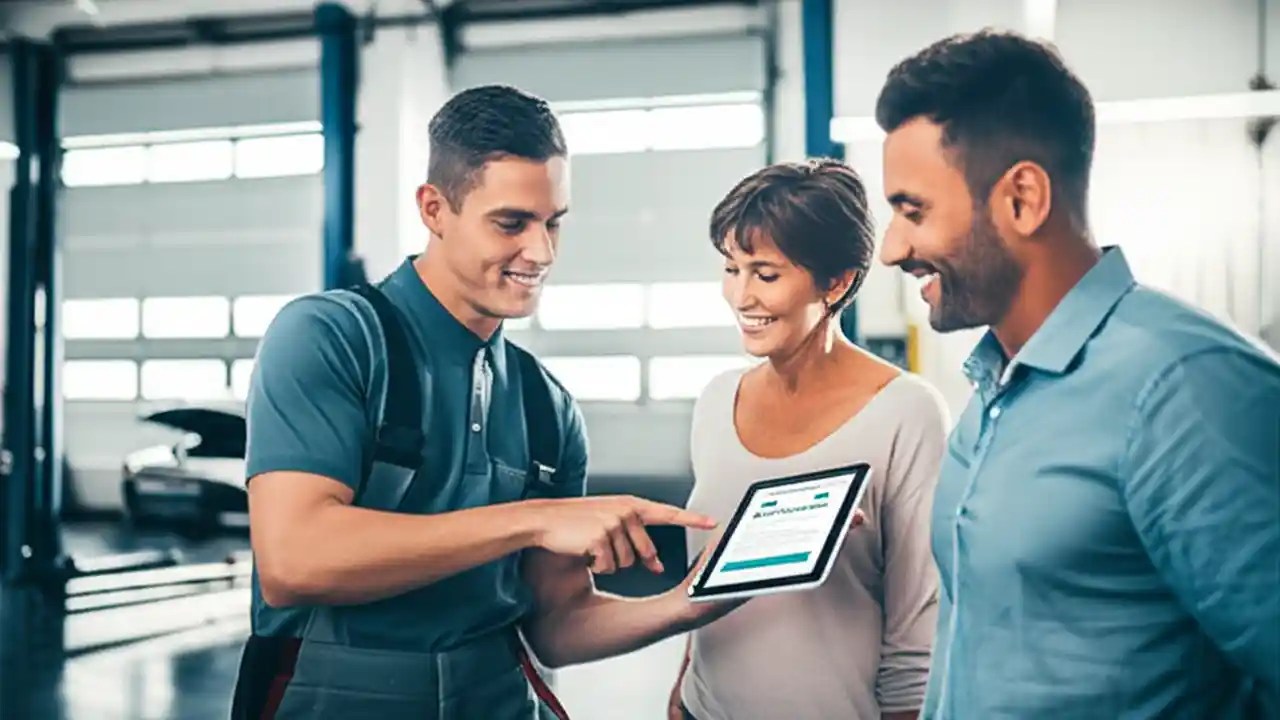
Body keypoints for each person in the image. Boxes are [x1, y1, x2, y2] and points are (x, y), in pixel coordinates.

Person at [233, 84, 750, 719]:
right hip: (337, 693)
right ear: (434, 208)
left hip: (498, 696)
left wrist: (693, 600)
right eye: (511, 223)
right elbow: (295, 560)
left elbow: (558, 624)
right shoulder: (330, 337)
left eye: (553, 222)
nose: (542, 252)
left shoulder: (544, 405)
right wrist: (531, 519)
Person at [874, 29, 1280, 720]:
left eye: (913, 211)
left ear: (1023, 198)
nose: (892, 249)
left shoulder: (1186, 389)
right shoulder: (991, 394)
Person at [667, 159, 949, 720]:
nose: (740, 296)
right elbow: (707, 581)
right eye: (731, 268)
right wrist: (680, 695)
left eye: (765, 274)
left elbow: (919, 627)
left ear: (837, 282)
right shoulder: (717, 401)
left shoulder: (906, 413)